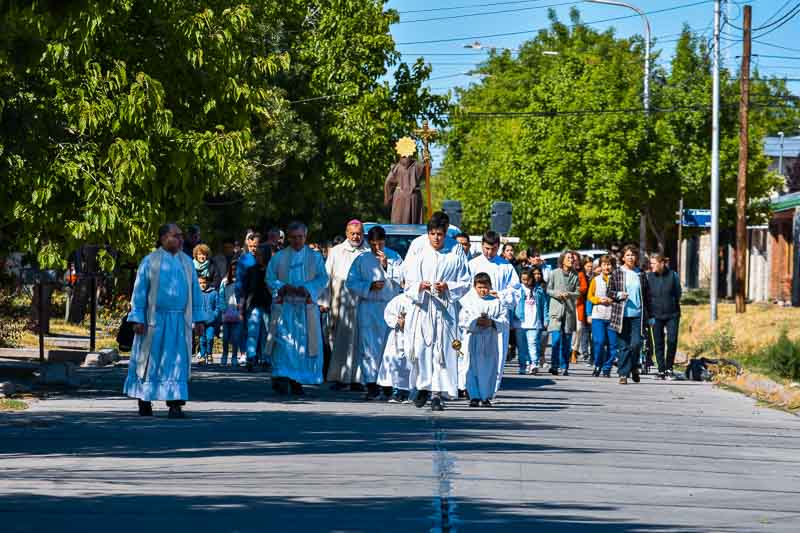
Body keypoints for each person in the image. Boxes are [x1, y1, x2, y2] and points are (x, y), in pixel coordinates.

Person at [124, 223, 206, 419]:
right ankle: (144, 401)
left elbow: (196, 292)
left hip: (179, 322)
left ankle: (175, 405)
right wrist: (137, 318)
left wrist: (200, 319)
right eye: (175, 235)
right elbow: (140, 291)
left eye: (180, 236)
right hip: (153, 322)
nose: (180, 239)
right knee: (149, 361)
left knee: (177, 362)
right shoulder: (150, 261)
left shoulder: (187, 262)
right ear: (163, 238)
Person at [403, 212, 471, 411]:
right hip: (422, 307)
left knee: (441, 351)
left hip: (445, 309)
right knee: (421, 348)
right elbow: (406, 275)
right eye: (432, 234)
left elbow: (466, 280)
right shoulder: (418, 246)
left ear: (446, 232)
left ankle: (437, 393)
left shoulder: (456, 249)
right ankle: (422, 386)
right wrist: (419, 286)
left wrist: (448, 286)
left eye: (440, 234)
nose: (436, 238)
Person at [266, 221, 329, 395]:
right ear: (288, 238)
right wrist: (282, 287)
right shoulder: (279, 257)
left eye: (300, 237)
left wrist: (308, 289)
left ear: (305, 236)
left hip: (305, 309)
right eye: (293, 237)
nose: (296, 241)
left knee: (302, 345)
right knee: (284, 344)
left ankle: (297, 380)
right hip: (285, 308)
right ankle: (281, 377)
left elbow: (322, 278)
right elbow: (270, 278)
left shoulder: (315, 257)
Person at [345, 225, 403, 400]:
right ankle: (371, 383)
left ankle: (387, 383)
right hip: (369, 306)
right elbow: (351, 282)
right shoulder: (361, 258)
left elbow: (403, 280)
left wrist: (386, 267)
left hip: (388, 305)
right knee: (368, 346)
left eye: (380, 244)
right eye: (373, 244)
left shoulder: (394, 257)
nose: (376, 248)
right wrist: (368, 286)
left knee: (388, 346)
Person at [468, 231, 520, 395]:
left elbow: (516, 291)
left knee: (496, 354)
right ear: (482, 246)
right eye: (486, 248)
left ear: (499, 247)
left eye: (493, 249)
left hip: (497, 316)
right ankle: (473, 391)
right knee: (473, 355)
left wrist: (501, 295)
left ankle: (490, 392)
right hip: (475, 314)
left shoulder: (506, 266)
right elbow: (465, 289)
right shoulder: (473, 264)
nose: (489, 252)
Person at [324, 220, 369, 390]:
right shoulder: (336, 252)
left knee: (361, 342)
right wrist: (324, 301)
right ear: (347, 234)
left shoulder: (368, 252)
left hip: (362, 304)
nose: (356, 237)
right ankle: (340, 377)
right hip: (340, 303)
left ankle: (359, 379)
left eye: (359, 233)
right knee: (340, 341)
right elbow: (326, 277)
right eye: (353, 234)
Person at [460, 272, 509, 407]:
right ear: (475, 287)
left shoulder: (496, 302)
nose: (483, 290)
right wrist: (475, 322)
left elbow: (504, 321)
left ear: (490, 286)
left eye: (485, 287)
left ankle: (486, 396)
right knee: (472, 368)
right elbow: (463, 321)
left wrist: (492, 323)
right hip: (474, 339)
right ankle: (474, 396)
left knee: (489, 368)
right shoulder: (468, 302)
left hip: (490, 340)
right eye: (480, 287)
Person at [608, 245, 650, 385]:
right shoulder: (617, 273)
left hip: (638, 314)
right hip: (621, 314)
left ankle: (634, 367)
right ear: (623, 258)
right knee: (623, 345)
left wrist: (651, 316)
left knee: (636, 344)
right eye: (627, 255)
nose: (630, 257)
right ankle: (623, 374)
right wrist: (619, 295)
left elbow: (647, 295)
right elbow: (610, 292)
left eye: (633, 255)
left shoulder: (641, 273)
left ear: (636, 257)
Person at [645, 254, 681, 380]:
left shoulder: (673, 275)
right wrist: (649, 315)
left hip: (672, 314)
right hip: (655, 315)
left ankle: (669, 368)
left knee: (672, 340)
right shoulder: (649, 277)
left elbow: (678, 293)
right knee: (658, 343)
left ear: (661, 263)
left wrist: (671, 303)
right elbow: (647, 297)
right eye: (651, 263)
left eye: (654, 263)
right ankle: (661, 370)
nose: (651, 266)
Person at [547, 251, 580, 376]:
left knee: (567, 340)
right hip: (556, 309)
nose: (571, 260)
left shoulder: (575, 275)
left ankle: (564, 366)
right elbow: (548, 289)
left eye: (572, 258)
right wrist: (557, 294)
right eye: (568, 258)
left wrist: (569, 294)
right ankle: (554, 365)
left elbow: (578, 292)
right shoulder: (554, 273)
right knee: (555, 339)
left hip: (569, 310)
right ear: (562, 260)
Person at [377, 292, 414, 403]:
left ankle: (410, 392)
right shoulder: (398, 299)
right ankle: (396, 391)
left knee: (411, 363)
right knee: (395, 362)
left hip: (413, 336)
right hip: (397, 336)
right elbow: (388, 314)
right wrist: (397, 321)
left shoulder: (422, 299)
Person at [513, 268, 549, 375]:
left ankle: (534, 364)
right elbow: (512, 305)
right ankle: (523, 365)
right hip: (520, 322)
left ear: (531, 279)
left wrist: (545, 319)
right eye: (523, 279)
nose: (525, 282)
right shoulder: (518, 290)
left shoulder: (538, 290)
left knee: (533, 344)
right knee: (521, 346)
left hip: (534, 322)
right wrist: (511, 320)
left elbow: (544, 305)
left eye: (527, 279)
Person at [240, 248, 271, 372]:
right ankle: (251, 357)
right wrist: (242, 305)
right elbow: (245, 289)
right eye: (256, 255)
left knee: (267, 333)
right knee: (253, 332)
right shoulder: (251, 270)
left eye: (260, 255)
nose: (258, 257)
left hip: (267, 305)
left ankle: (265, 358)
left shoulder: (271, 270)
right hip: (253, 304)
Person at [588, 255, 617, 377]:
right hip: (598, 315)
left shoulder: (616, 279)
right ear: (600, 266)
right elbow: (590, 296)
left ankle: (607, 367)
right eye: (604, 264)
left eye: (609, 264)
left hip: (612, 315)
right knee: (599, 342)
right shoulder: (595, 280)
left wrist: (613, 299)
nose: (607, 267)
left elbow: (621, 295)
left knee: (613, 345)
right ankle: (598, 364)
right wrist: (599, 300)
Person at [218, 260, 242, 366]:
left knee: (236, 337)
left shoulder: (242, 282)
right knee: (226, 337)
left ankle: (234, 357)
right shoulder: (224, 281)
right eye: (233, 269)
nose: (235, 271)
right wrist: (223, 309)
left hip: (237, 312)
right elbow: (221, 296)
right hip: (227, 312)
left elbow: (243, 296)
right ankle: (224, 355)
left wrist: (241, 307)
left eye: (237, 269)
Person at [571, 253, 591, 364]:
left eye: (577, 260)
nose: (575, 262)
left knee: (578, 329)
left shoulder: (581, 274)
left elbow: (584, 288)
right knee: (567, 330)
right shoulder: (563, 272)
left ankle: (574, 351)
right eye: (573, 259)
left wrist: (573, 291)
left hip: (578, 304)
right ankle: (566, 351)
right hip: (567, 304)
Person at [197, 275, 220, 364]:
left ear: (207, 283)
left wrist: (214, 315)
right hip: (200, 321)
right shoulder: (197, 293)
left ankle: (209, 353)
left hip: (211, 321)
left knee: (209, 338)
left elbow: (217, 306)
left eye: (204, 282)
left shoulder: (213, 293)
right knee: (202, 339)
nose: (202, 285)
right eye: (200, 283)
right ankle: (202, 356)